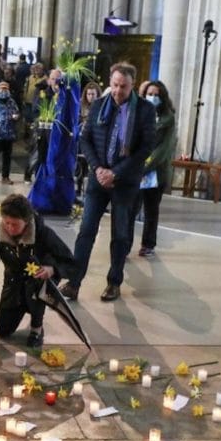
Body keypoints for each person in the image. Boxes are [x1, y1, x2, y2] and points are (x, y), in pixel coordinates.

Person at [58, 62, 155, 302]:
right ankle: (74, 282)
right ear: (110, 82)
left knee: (120, 235)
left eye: (124, 86)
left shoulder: (144, 110)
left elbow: (145, 148)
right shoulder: (99, 105)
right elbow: (85, 139)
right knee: (86, 231)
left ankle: (114, 282)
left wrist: (116, 173)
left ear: (133, 85)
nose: (118, 91)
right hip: (98, 180)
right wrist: (98, 168)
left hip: (125, 183)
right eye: (115, 85)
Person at [0, 194, 75, 348]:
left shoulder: (42, 233)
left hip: (38, 282)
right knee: (3, 330)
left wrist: (52, 269)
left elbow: (70, 262)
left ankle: (37, 327)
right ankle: (22, 306)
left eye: (15, 224)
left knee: (36, 285)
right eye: (7, 223)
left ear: (26, 221)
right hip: (13, 281)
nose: (10, 228)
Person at [131, 80, 177, 257]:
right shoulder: (139, 114)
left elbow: (163, 149)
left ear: (162, 97)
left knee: (151, 209)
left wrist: (144, 165)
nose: (153, 97)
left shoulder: (168, 119)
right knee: (131, 208)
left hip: (156, 172)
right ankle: (124, 244)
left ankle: (148, 244)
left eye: (156, 95)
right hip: (137, 169)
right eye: (150, 94)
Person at [75, 81, 103, 198]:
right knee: (81, 164)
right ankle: (78, 187)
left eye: (93, 94)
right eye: (89, 94)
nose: (91, 96)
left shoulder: (101, 106)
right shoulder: (81, 106)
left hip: (96, 140)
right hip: (83, 138)